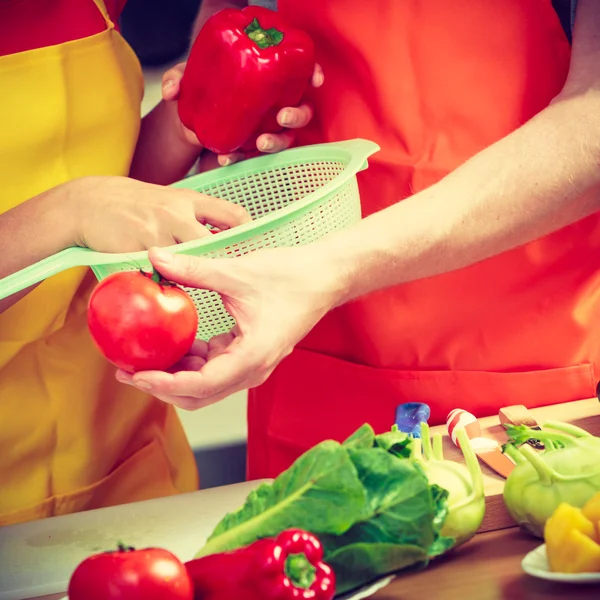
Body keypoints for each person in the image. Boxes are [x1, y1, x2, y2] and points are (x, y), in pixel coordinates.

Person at [119, 0, 600, 481]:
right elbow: (235, 17)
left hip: (521, 359)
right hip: (304, 349)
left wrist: (324, 273)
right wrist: (225, 127)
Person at [0, 0, 311, 525]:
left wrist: (191, 123)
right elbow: (83, 206)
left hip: (124, 449)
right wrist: (72, 210)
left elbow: (103, 172)